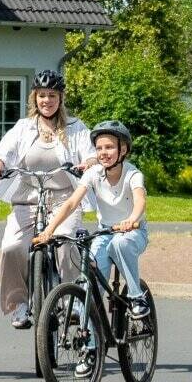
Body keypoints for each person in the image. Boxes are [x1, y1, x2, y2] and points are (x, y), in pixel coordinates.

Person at [0, 69, 92, 327]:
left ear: (60, 98)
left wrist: (88, 162)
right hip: (28, 200)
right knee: (12, 248)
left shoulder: (75, 127)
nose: (47, 100)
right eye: (42, 95)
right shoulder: (23, 127)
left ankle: (71, 298)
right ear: (35, 98)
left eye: (52, 95)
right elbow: (4, 150)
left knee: (65, 242)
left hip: (64, 201)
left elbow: (89, 153)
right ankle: (19, 305)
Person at [34, 120, 151, 319]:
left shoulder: (133, 173)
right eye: (99, 148)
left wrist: (131, 220)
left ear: (123, 150)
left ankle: (136, 296)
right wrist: (49, 230)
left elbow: (140, 199)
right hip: (105, 232)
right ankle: (90, 342)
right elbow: (71, 203)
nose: (103, 152)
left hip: (133, 231)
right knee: (89, 274)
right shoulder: (93, 173)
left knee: (120, 244)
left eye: (110, 147)